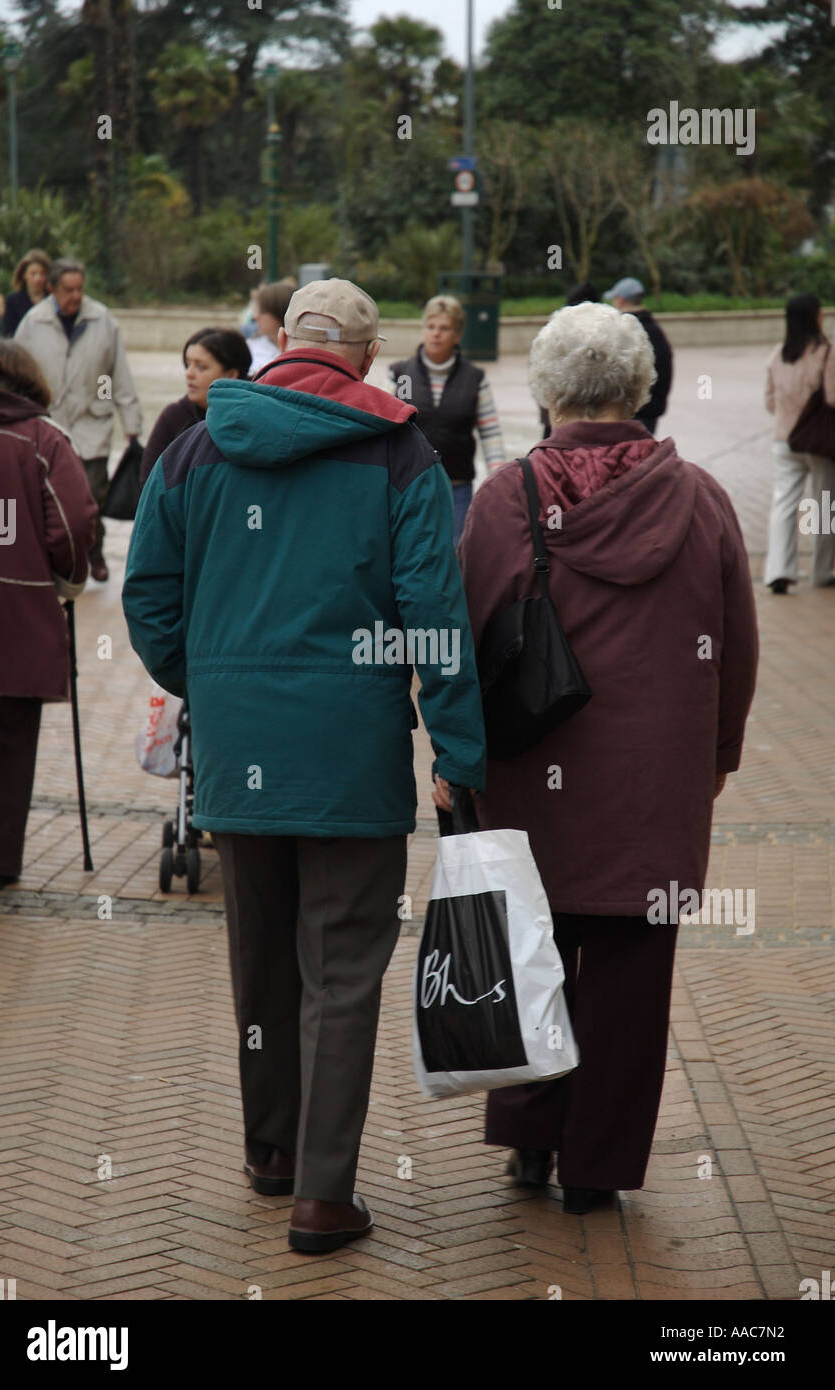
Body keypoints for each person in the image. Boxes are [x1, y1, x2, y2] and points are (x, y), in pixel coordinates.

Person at [123, 278, 485, 1254]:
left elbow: (148, 589)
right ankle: (323, 1195)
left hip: (240, 750)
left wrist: (213, 680)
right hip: (351, 753)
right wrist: (458, 747)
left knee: (258, 961)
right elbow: (435, 619)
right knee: (342, 970)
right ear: (366, 357)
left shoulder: (197, 443)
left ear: (281, 343)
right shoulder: (400, 453)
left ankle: (271, 1152)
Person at [440, 302, 758, 1215]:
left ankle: (533, 1137)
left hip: (533, 767)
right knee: (630, 976)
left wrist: (457, 753)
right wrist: (719, 753)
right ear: (639, 388)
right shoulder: (701, 497)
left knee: (532, 948)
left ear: (545, 391)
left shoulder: (507, 497)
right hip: (656, 780)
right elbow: (735, 646)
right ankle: (597, 1166)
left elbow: (463, 631)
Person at [0, 340, 96, 889]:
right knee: (11, 739)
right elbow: (73, 522)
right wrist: (67, 584)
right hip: (15, 614)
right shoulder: (44, 439)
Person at [15, 256, 142, 584]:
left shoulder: (102, 320)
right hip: (48, 423)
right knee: (50, 494)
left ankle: (94, 549)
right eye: (68, 290)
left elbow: (120, 374)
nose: (75, 296)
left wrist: (131, 425)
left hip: (92, 423)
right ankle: (56, 558)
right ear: (51, 288)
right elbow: (17, 373)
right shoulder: (33, 323)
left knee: (91, 495)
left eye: (79, 289)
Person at [390, 295, 506, 545]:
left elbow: (491, 433)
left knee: (456, 554)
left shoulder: (475, 378)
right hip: (412, 487)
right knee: (413, 551)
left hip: (458, 488)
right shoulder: (402, 375)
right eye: (431, 327)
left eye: (444, 328)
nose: (436, 334)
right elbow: (389, 430)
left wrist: (497, 480)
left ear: (457, 335)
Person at [764, 293, 835, 593]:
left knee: (783, 504)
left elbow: (770, 401)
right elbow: (832, 397)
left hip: (784, 440)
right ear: (815, 317)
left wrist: (789, 414)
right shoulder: (825, 352)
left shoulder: (777, 353)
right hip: (818, 443)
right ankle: (820, 572)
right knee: (823, 508)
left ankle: (779, 570)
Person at [139, 328, 252, 488]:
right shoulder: (174, 417)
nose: (189, 373)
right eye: (188, 364)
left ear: (231, 374)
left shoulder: (255, 416)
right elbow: (149, 483)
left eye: (201, 367)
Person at [604, 276, 673, 435]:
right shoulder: (654, 329)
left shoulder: (625, 331)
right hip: (650, 410)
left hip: (630, 413)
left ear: (620, 300)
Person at [538, 282, 601, 436]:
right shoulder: (605, 338)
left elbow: (541, 377)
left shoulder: (555, 333)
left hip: (558, 422)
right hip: (591, 424)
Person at [248, 281, 295, 376]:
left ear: (280, 312)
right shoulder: (250, 347)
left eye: (262, 312)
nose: (255, 317)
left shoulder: (301, 350)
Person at [1, 248, 51, 338]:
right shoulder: (13, 300)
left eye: (42, 273)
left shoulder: (53, 299)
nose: (38, 279)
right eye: (33, 273)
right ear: (25, 275)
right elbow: (8, 334)